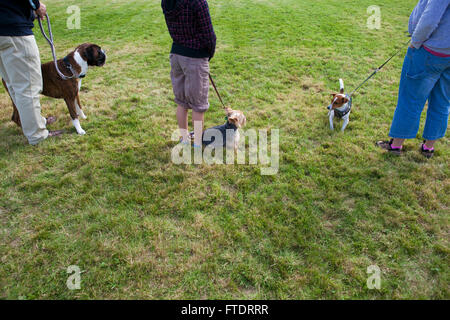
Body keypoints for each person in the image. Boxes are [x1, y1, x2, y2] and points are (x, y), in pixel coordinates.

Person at [377, 0, 450, 158]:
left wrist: (416, 41)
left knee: (410, 99)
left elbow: (430, 18)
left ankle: (396, 145)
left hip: (429, 52)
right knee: (442, 102)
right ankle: (428, 148)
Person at [0, 0, 63, 145]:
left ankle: (32, 123)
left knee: (14, 84)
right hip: (13, 30)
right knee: (28, 86)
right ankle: (37, 134)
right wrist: (36, 5)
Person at [161, 0, 217, 148]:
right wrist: (207, 54)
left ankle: (185, 139)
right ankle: (197, 143)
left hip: (176, 55)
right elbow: (209, 35)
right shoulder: (198, 2)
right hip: (194, 57)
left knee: (182, 101)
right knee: (198, 104)